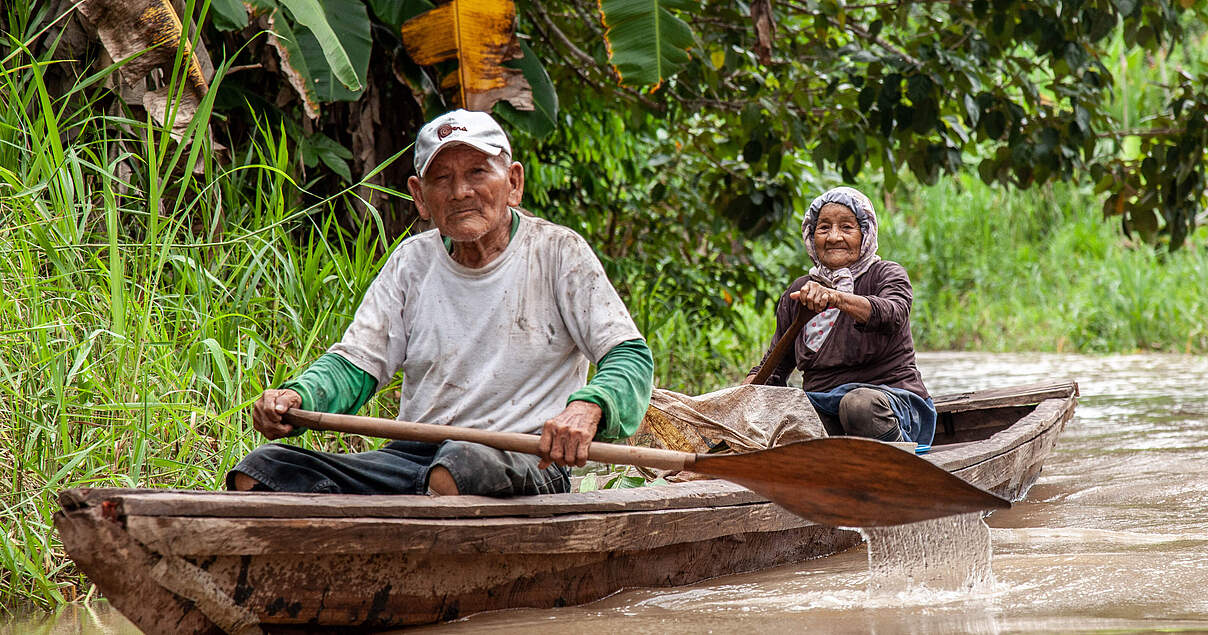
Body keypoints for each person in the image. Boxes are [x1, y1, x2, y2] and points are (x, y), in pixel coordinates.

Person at [227, 109, 654, 496]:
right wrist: (298, 397)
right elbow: (356, 364)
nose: (460, 192)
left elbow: (630, 357)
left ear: (514, 184)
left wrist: (589, 405)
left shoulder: (558, 251)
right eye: (442, 178)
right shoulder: (411, 263)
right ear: (419, 195)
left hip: (523, 458)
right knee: (262, 471)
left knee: (458, 467)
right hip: (414, 457)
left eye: (477, 172)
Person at [744, 186, 935, 450]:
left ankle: (902, 460)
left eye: (846, 228)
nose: (834, 237)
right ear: (812, 237)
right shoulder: (800, 291)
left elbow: (893, 314)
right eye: (823, 228)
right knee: (788, 418)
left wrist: (834, 298)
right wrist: (739, 395)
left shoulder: (887, 275)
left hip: (891, 406)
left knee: (856, 405)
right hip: (823, 405)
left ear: (865, 234)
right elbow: (775, 368)